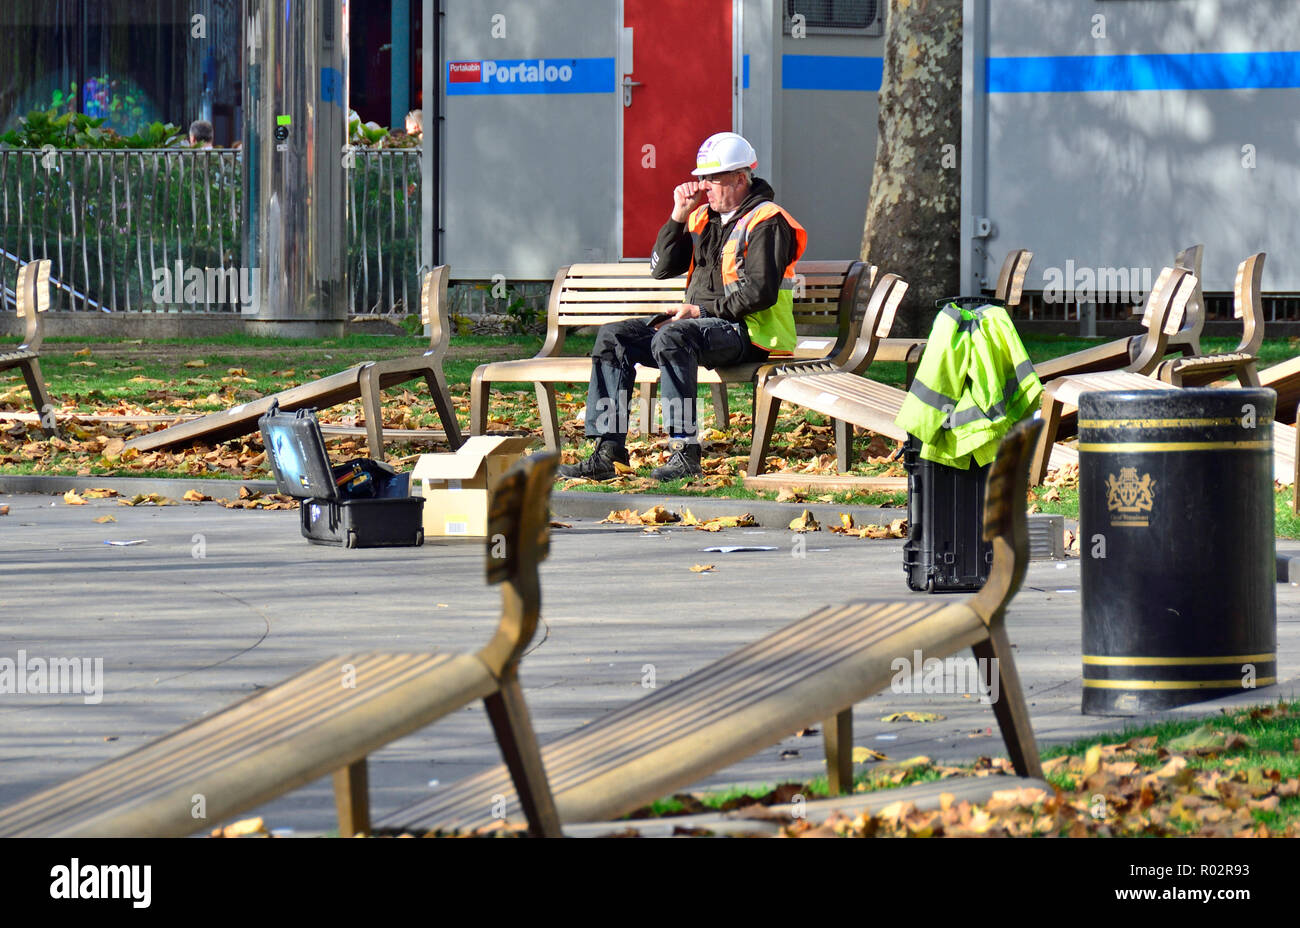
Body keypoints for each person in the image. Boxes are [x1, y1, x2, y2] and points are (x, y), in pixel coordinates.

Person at [558, 132, 807, 482]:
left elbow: (761, 291)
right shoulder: (702, 217)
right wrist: (677, 217)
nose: (704, 186)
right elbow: (660, 268)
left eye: (713, 178)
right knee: (614, 337)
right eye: (702, 178)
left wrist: (702, 313)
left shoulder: (768, 220)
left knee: (673, 338)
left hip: (750, 333)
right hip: (697, 328)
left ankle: (684, 452)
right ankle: (608, 452)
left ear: (740, 177)